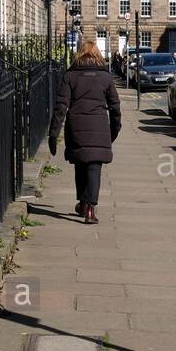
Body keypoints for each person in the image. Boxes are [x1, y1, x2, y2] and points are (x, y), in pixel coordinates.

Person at [48, 40, 121, 224]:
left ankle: (83, 202)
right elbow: (115, 107)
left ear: (79, 54)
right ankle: (90, 208)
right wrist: (114, 130)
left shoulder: (70, 76)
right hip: (99, 127)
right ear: (97, 54)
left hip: (76, 126)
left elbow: (61, 106)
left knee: (80, 165)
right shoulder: (106, 77)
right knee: (94, 168)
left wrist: (53, 133)